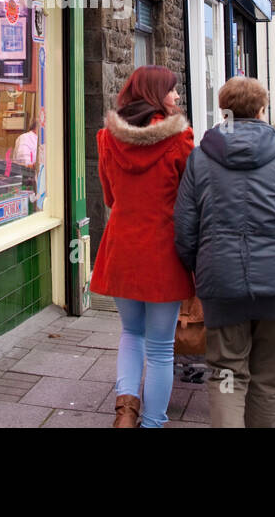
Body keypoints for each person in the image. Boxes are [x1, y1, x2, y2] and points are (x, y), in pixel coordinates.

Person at [175, 76, 275, 428]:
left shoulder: (200, 159)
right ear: (262, 110)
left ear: (223, 111)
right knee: (268, 380)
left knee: (227, 375)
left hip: (222, 285)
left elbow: (184, 231)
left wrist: (200, 269)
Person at [91, 66, 195, 428]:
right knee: (161, 348)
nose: (178, 97)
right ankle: (152, 422)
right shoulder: (180, 140)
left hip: (122, 248)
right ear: (154, 95)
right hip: (163, 254)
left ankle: (125, 415)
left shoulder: (107, 138)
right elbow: (189, 201)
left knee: (130, 334)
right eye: (172, 91)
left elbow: (108, 196)